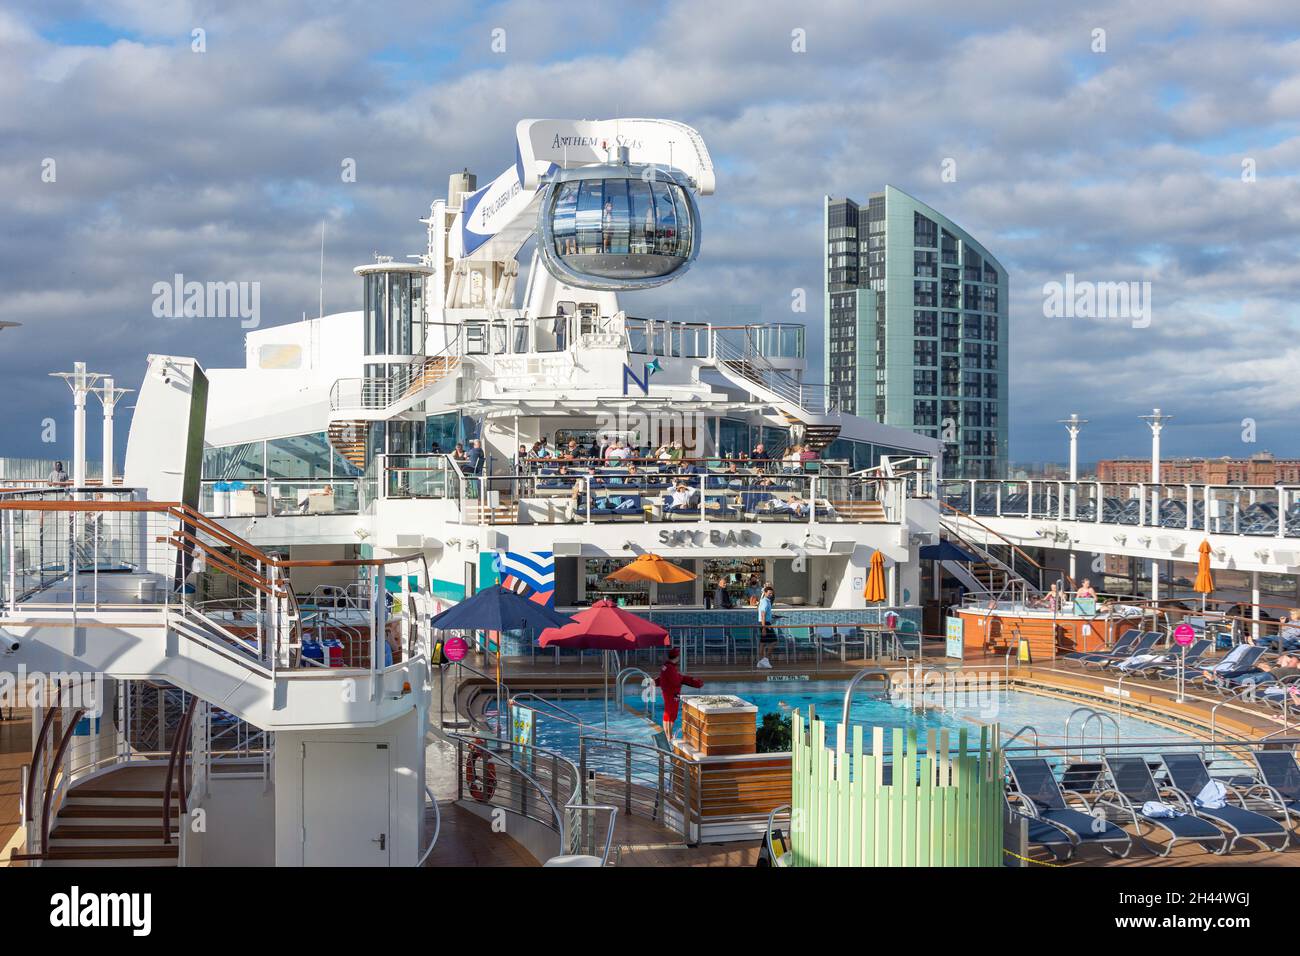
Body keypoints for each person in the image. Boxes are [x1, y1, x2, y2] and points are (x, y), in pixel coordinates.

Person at [654, 647, 703, 739]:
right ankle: (669, 737)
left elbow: (663, 679)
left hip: (668, 692)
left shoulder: (666, 666)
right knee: (671, 714)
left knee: (668, 713)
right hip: (672, 693)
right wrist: (682, 678)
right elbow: (676, 681)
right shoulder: (670, 668)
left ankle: (668, 735)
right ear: (676, 657)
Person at [757, 584, 777, 669]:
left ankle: (760, 662)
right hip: (765, 624)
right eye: (769, 593)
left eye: (771, 593)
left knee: (762, 643)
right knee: (774, 641)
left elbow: (764, 613)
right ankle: (765, 660)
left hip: (763, 623)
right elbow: (762, 614)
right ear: (765, 593)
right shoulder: (765, 601)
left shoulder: (764, 601)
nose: (770, 595)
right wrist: (764, 628)